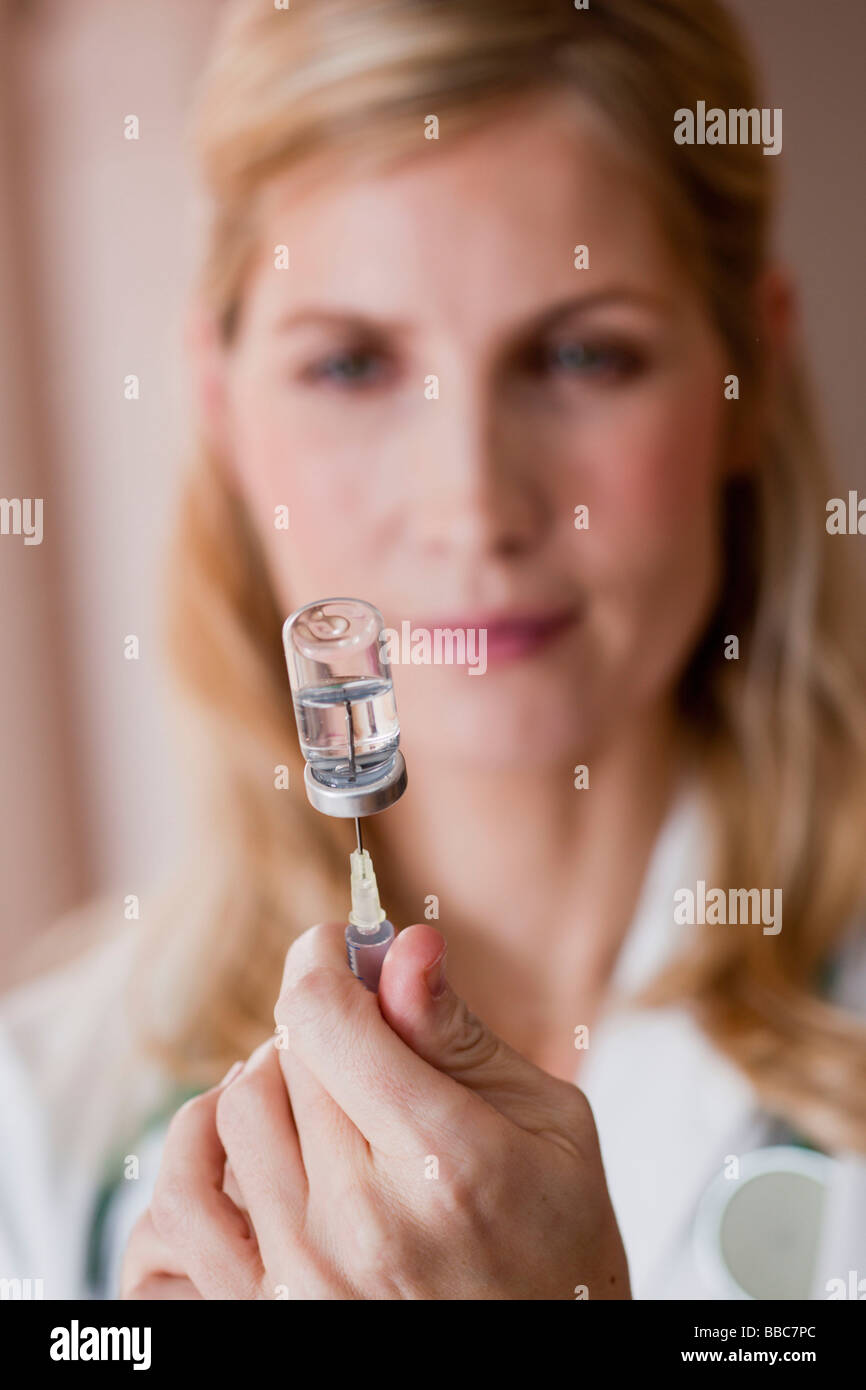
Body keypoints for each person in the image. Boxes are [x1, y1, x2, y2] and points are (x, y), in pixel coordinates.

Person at [1, 0, 864, 1301]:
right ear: (223, 406)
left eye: (580, 353)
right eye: (351, 364)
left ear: (745, 371)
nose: (472, 505)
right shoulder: (43, 1135)